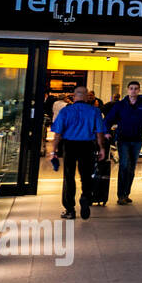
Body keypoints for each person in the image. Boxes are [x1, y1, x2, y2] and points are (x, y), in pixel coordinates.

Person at [49, 85, 108, 220]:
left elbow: (57, 132)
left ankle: (70, 209)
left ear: (74, 97)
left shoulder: (66, 111)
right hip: (87, 146)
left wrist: (53, 150)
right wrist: (102, 148)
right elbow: (99, 132)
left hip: (70, 145)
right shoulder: (95, 111)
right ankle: (86, 197)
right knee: (87, 175)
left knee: (69, 177)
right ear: (87, 97)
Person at [105, 80, 142, 206]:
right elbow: (108, 119)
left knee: (132, 167)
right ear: (127, 90)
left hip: (137, 140)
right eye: (131, 88)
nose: (133, 90)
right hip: (123, 139)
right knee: (124, 165)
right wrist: (106, 131)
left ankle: (126, 193)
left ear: (139, 90)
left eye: (136, 88)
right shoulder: (120, 105)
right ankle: (121, 195)